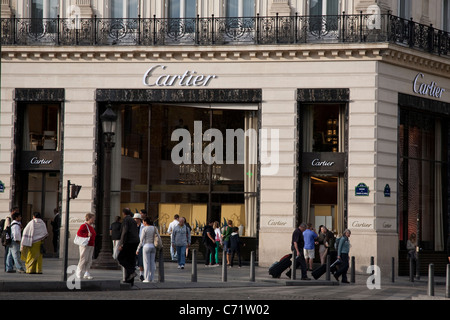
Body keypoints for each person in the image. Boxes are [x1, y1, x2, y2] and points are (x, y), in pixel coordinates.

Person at [117, 208, 140, 285]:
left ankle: (131, 272)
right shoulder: (133, 220)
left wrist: (121, 244)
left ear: (123, 213)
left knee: (120, 258)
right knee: (131, 259)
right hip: (135, 241)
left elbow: (124, 231)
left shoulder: (126, 220)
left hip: (129, 241)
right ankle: (130, 280)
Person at [136, 217, 159, 283]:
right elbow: (158, 237)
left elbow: (141, 240)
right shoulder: (154, 228)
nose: (143, 223)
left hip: (146, 246)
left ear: (146, 222)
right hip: (153, 246)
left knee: (146, 263)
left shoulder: (144, 229)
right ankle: (152, 278)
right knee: (152, 263)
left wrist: (138, 249)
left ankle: (147, 278)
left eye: (143, 221)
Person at [76, 213, 96, 280]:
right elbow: (79, 233)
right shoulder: (84, 226)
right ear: (89, 219)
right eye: (93, 218)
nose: (94, 220)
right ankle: (79, 272)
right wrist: (87, 235)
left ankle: (87, 272)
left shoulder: (91, 226)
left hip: (91, 245)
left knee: (89, 259)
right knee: (83, 259)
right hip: (85, 245)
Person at [3, 206, 18, 271]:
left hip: (11, 238)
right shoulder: (8, 219)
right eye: (16, 211)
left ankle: (9, 267)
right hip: (9, 239)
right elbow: (7, 229)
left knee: (10, 253)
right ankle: (7, 267)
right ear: (13, 211)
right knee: (8, 253)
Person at [134, 213, 144, 281]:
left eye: (136, 219)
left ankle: (141, 274)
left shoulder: (143, 226)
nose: (135, 220)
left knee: (140, 260)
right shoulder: (133, 226)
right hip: (134, 243)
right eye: (134, 219)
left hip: (141, 244)